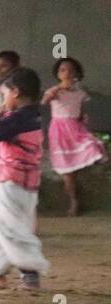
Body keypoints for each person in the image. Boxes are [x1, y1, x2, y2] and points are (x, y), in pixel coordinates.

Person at [0, 67, 48, 289]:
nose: (2, 100)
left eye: (4, 94)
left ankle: (30, 272)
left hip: (10, 181)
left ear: (16, 93)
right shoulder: (34, 115)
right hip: (24, 183)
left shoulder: (18, 118)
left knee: (11, 227)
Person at [43, 57, 107, 215]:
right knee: (67, 171)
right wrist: (54, 91)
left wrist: (83, 118)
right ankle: (73, 202)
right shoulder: (54, 91)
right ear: (58, 74)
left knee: (95, 146)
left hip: (75, 128)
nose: (67, 73)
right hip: (59, 130)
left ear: (77, 73)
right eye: (63, 70)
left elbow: (82, 111)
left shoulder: (80, 93)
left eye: (71, 70)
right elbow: (44, 103)